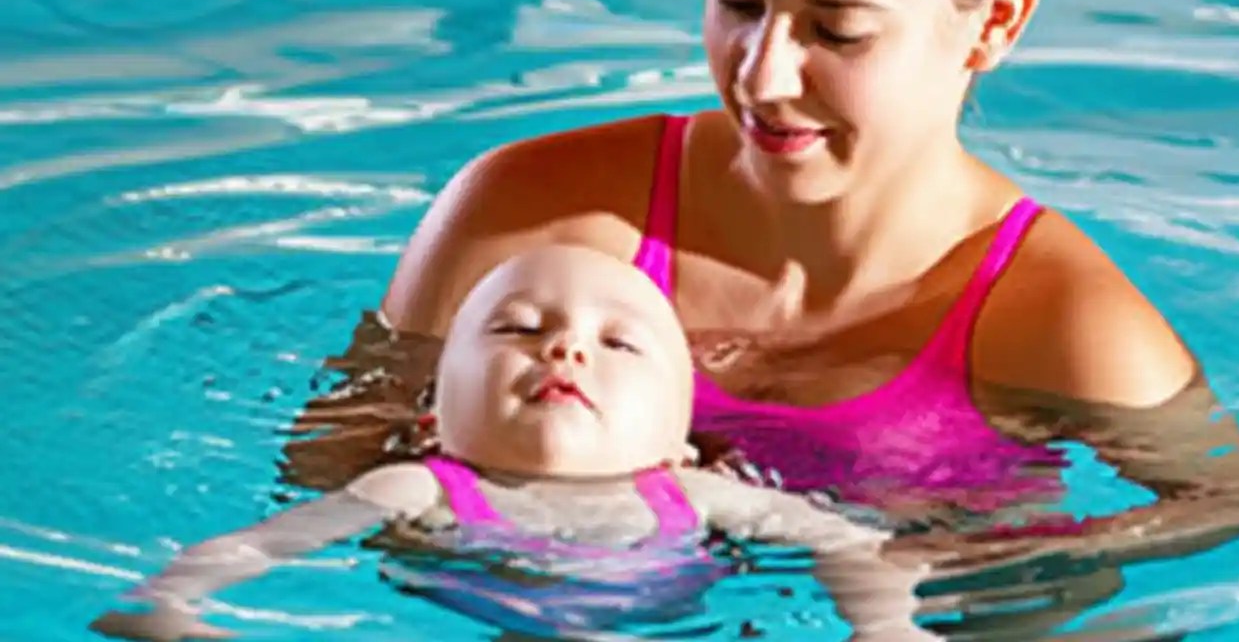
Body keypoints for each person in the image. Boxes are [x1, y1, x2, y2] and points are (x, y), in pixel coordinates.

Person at [371, 0, 1239, 522]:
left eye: (838, 33)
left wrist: (1018, 559)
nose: (760, 78)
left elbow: (1231, 507)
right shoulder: (532, 220)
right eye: (736, 1)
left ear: (995, 22)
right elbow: (339, 467)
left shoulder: (1056, 323)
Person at [91, 245, 931, 642]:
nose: (564, 350)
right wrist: (173, 603)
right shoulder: (416, 489)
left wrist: (885, 625)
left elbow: (844, 536)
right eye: (520, 329)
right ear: (433, 422)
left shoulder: (695, 495)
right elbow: (257, 546)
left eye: (619, 344)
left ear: (679, 442)